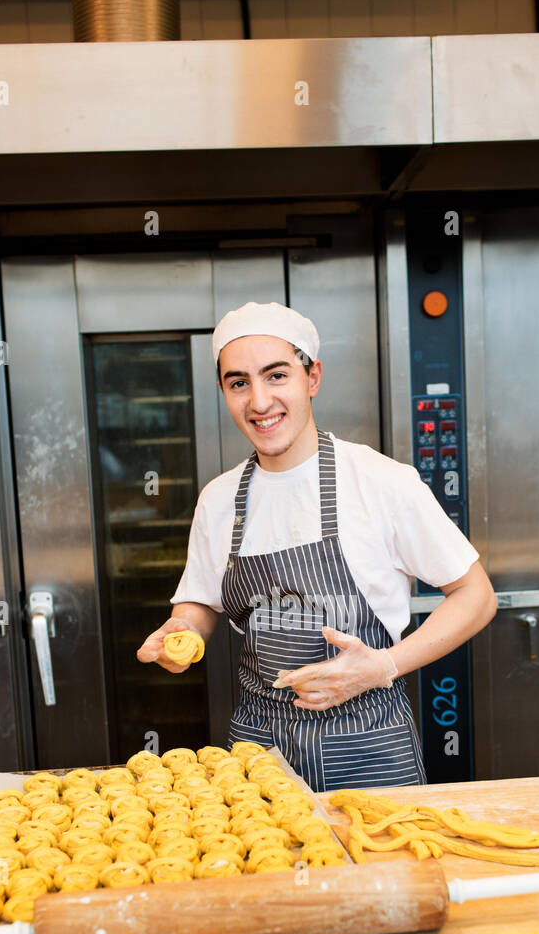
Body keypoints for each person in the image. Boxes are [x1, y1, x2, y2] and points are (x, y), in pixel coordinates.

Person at [137, 301, 497, 790]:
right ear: (224, 391)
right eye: (239, 382)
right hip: (257, 750)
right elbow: (200, 602)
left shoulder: (381, 481)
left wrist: (384, 666)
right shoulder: (218, 499)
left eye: (277, 375)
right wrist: (181, 633)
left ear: (313, 377)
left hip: (370, 744)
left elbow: (476, 596)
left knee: (380, 867)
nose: (259, 402)